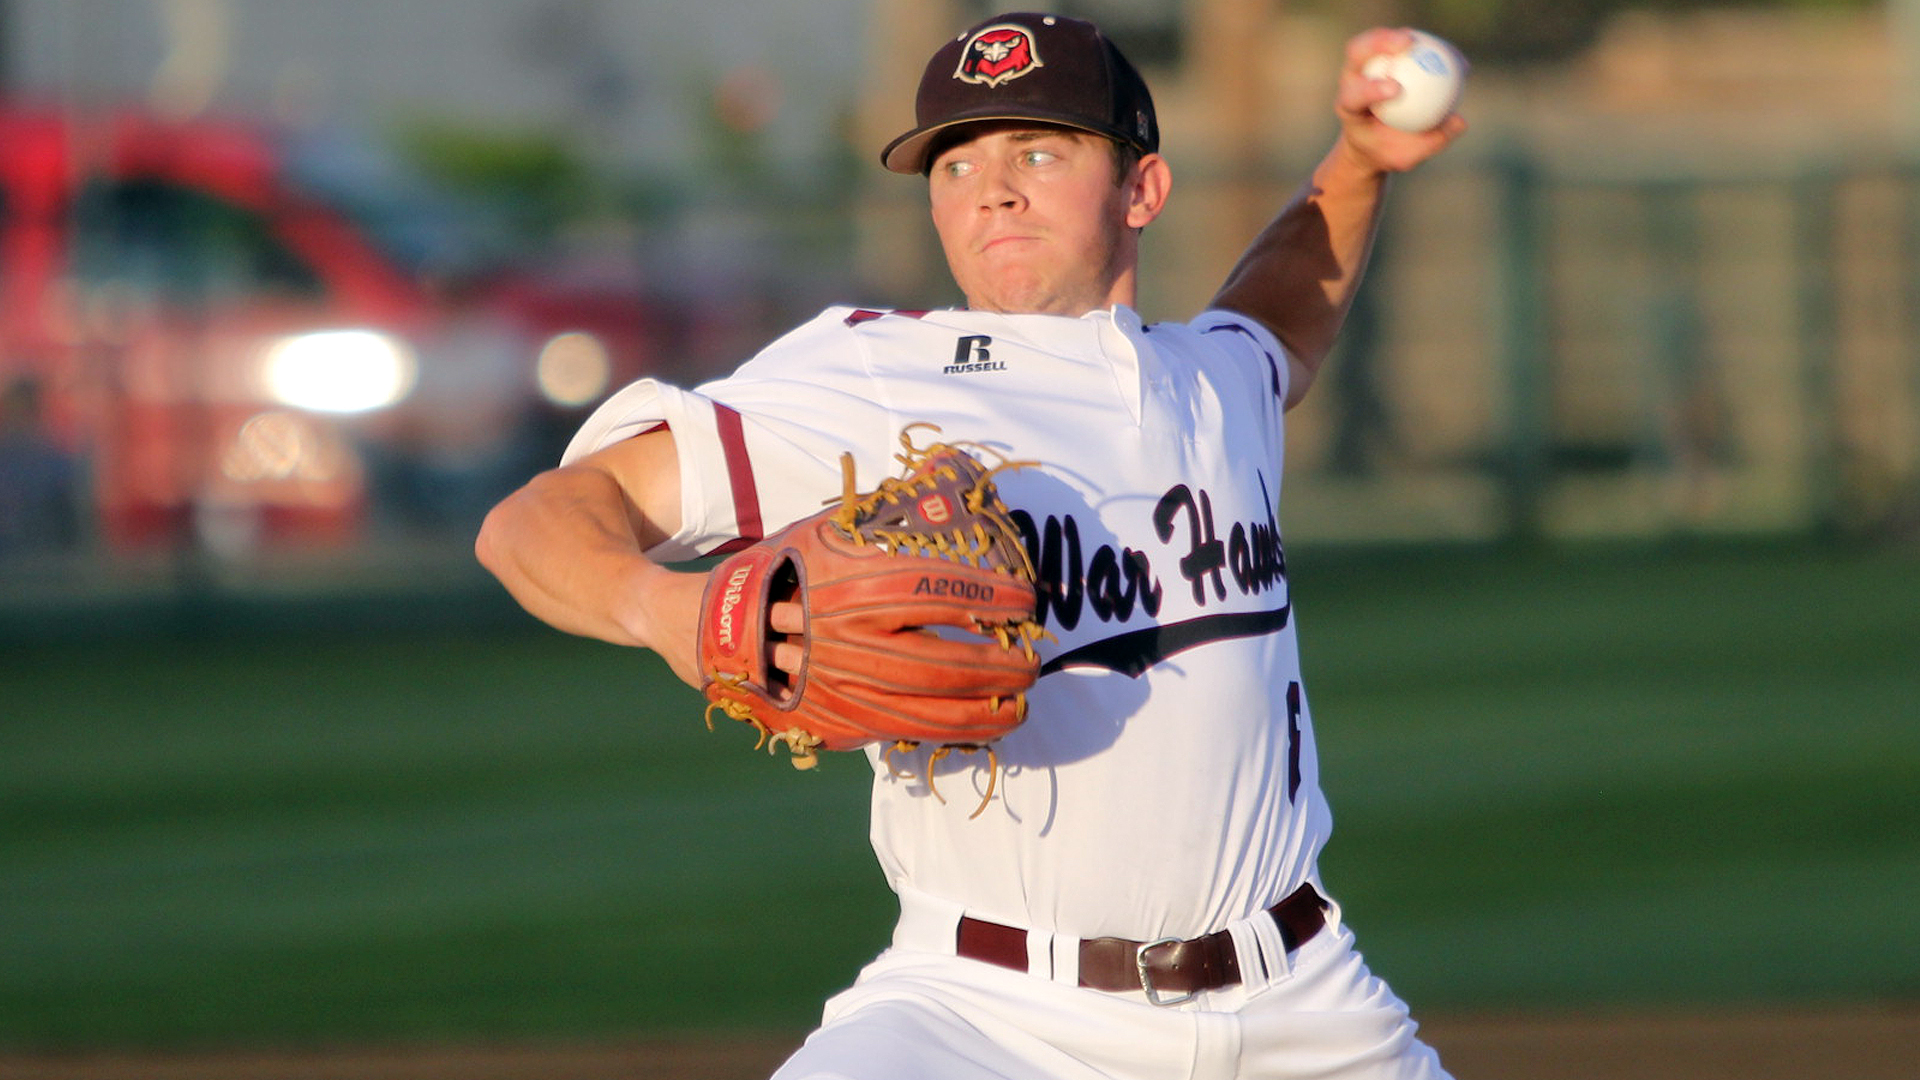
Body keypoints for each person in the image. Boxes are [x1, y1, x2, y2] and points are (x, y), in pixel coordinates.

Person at [478, 12, 1465, 1079]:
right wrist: (669, 611)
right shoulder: (872, 373)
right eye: (955, 163)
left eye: (1038, 150)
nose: (991, 187)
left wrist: (1360, 159)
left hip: (1306, 1010)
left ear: (1143, 190)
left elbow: (1286, 304)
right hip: (987, 1017)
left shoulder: (1214, 380)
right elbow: (532, 521)